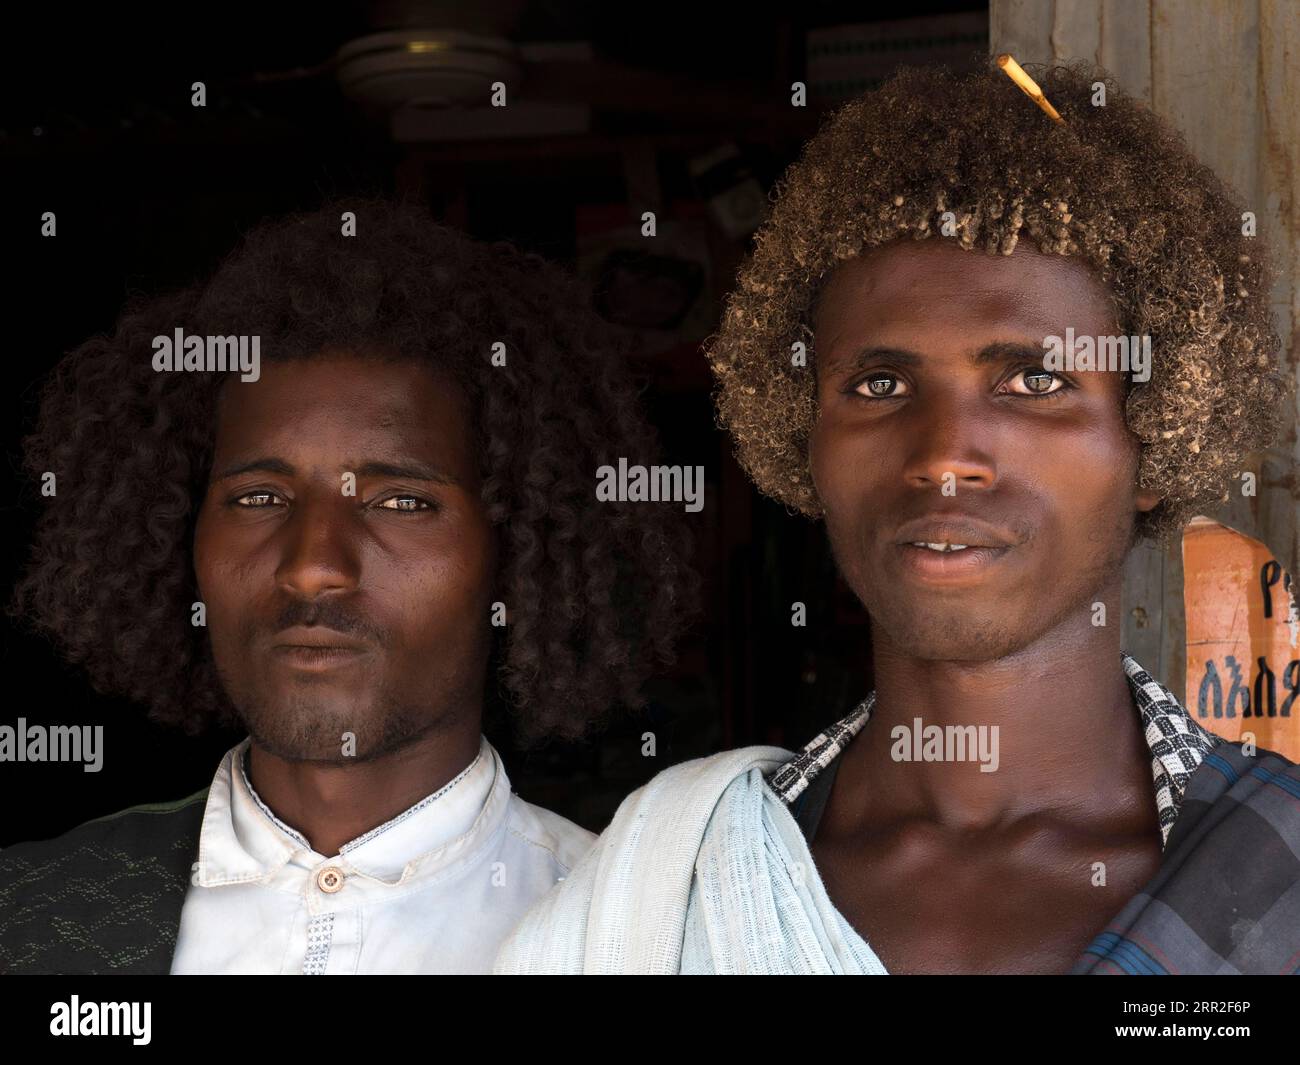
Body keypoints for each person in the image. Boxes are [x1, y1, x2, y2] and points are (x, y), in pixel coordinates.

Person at [494, 59, 1298, 974]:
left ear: (1153, 437)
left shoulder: (1280, 871)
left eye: (1036, 380)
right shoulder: (667, 889)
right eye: (880, 384)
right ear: (805, 435)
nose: (944, 454)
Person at [0, 199, 692, 974]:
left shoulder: (645, 938)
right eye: (259, 497)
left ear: (519, 551)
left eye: (402, 502)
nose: (313, 565)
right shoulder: (29, 912)